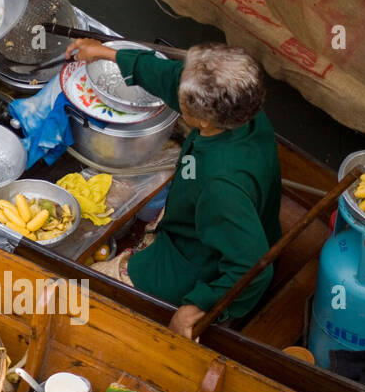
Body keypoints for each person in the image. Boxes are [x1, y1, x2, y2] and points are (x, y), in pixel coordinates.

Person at [65, 39, 282, 339]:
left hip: (198, 259)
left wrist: (198, 306)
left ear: (203, 120)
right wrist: (105, 53)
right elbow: (171, 75)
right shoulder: (242, 110)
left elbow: (253, 266)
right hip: (218, 222)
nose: (176, 90)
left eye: (182, 101)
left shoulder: (221, 185)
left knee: (80, 291)